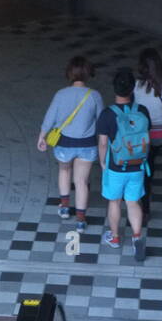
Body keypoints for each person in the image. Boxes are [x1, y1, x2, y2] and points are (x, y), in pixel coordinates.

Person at [37, 56, 103, 233]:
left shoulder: (61, 94)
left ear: (69, 73)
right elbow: (101, 121)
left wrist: (42, 136)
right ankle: (81, 220)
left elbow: (49, 117)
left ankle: (65, 207)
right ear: (88, 74)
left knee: (64, 170)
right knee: (81, 181)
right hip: (87, 144)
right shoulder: (94, 95)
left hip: (64, 143)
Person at [96, 68, 151, 261]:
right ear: (133, 88)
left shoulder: (107, 115)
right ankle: (137, 238)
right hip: (138, 165)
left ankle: (115, 237)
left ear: (114, 89)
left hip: (116, 166)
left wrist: (103, 162)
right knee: (133, 202)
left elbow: (103, 143)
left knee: (115, 201)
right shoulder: (142, 111)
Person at [133, 48, 162, 218]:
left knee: (140, 167)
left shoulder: (137, 86)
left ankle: (142, 203)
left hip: (143, 134)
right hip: (160, 133)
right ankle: (149, 176)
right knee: (150, 161)